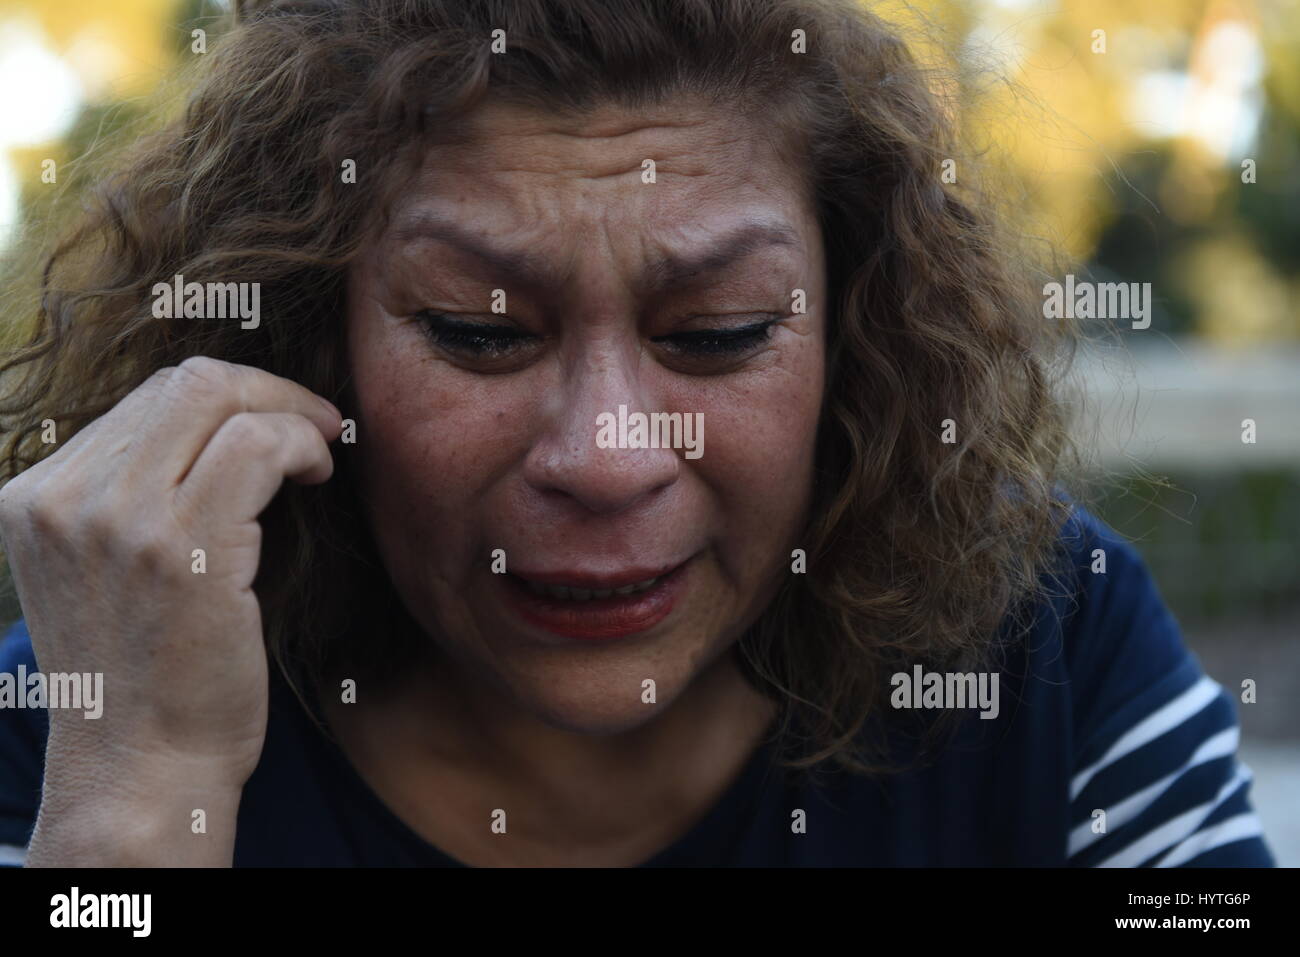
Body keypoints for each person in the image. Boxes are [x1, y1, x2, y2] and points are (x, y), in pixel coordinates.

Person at [0, 0, 1274, 867]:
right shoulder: (86, 690)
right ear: (300, 344)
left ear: (857, 340)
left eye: (717, 333)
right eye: (478, 332)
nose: (606, 458)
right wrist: (131, 797)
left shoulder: (1047, 642)